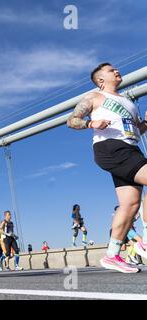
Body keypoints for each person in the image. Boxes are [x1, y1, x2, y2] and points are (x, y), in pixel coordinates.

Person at [67, 62, 147, 273]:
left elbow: (137, 131)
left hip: (131, 149)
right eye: (111, 70)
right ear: (101, 80)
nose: (117, 71)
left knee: (130, 204)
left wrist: (146, 123)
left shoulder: (129, 102)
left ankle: (112, 255)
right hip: (110, 148)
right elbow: (72, 120)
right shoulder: (94, 97)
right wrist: (90, 124)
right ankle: (145, 241)